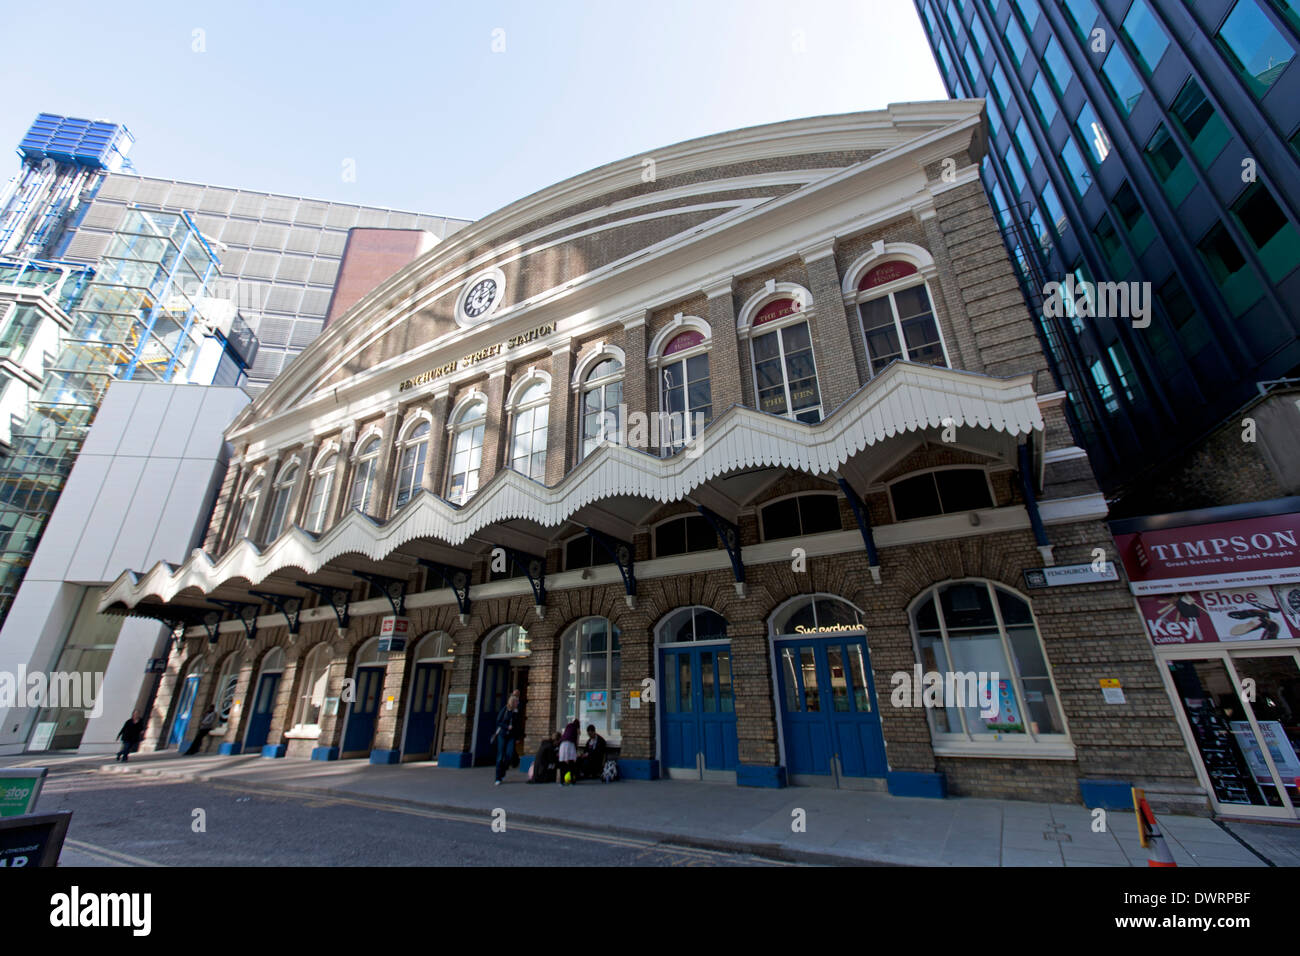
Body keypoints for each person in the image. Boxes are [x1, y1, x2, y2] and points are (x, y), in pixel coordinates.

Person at [491, 692, 522, 785]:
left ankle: (503, 770)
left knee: (510, 753)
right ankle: (498, 777)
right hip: (502, 735)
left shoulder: (516, 712)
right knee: (500, 756)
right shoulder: (505, 710)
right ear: (513, 702)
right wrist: (506, 726)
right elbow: (498, 721)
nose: (518, 703)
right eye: (517, 702)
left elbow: (517, 725)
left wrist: (517, 737)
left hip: (511, 736)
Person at [557, 716, 581, 785]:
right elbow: (576, 741)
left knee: (562, 764)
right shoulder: (576, 728)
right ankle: (572, 781)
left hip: (562, 745)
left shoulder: (568, 726)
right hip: (570, 745)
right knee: (572, 764)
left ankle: (562, 781)